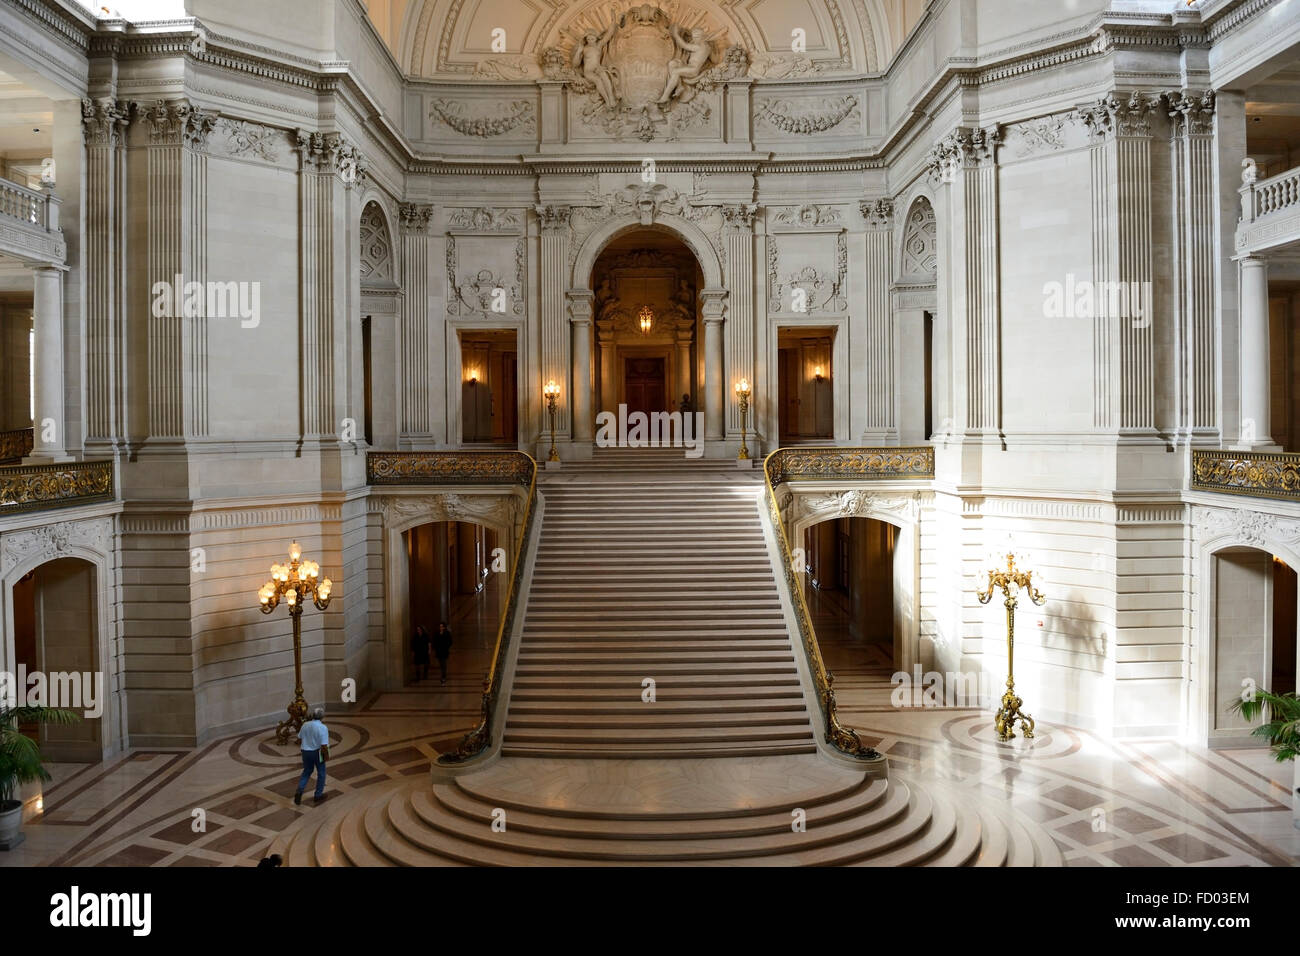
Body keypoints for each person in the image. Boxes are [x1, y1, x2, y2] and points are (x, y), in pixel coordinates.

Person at [294, 706, 329, 806]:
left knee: (307, 771)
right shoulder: (323, 727)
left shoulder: (305, 724)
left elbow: (299, 738)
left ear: (313, 715)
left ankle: (299, 791)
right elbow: (324, 745)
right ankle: (318, 795)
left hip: (305, 751)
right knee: (321, 773)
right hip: (317, 752)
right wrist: (326, 756)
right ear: (322, 717)